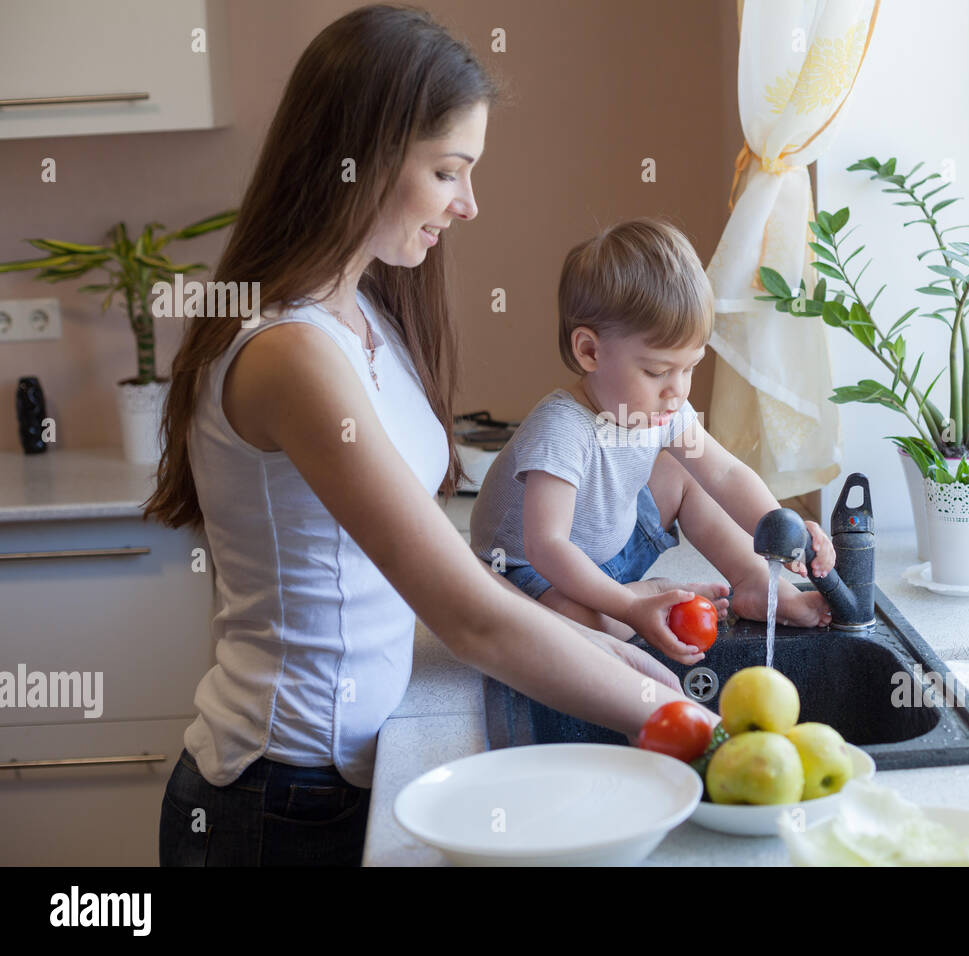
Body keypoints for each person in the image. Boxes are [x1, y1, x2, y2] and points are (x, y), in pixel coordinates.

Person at [144, 4, 709, 868]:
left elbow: (422, 576)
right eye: (449, 171)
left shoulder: (364, 314)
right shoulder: (292, 355)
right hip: (273, 802)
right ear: (362, 160)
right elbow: (467, 616)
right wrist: (664, 711)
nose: (469, 205)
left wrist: (606, 641)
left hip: (334, 781)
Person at [470, 218, 837, 668]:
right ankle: (644, 598)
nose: (677, 389)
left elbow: (725, 474)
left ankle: (752, 580)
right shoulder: (561, 429)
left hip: (612, 544)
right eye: (658, 370)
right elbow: (546, 545)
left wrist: (783, 526)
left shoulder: (664, 407)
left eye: (690, 367)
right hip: (533, 574)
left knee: (688, 472)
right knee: (569, 633)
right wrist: (630, 608)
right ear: (590, 352)